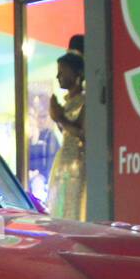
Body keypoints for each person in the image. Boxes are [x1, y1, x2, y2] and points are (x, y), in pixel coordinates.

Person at [48, 36, 86, 220]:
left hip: (77, 164)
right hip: (64, 163)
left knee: (75, 211)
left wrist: (60, 119)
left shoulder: (85, 102)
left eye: (62, 72)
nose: (58, 76)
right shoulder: (68, 102)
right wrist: (59, 118)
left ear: (77, 74)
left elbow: (84, 134)